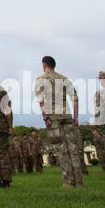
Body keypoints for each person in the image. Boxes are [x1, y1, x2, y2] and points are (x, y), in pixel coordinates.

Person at [34, 56, 83, 188]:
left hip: (53, 116)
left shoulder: (41, 79)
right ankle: (79, 182)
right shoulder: (64, 78)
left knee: (61, 151)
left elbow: (42, 101)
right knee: (73, 149)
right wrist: (75, 118)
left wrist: (46, 118)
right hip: (66, 115)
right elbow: (75, 98)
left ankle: (68, 182)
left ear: (44, 64)